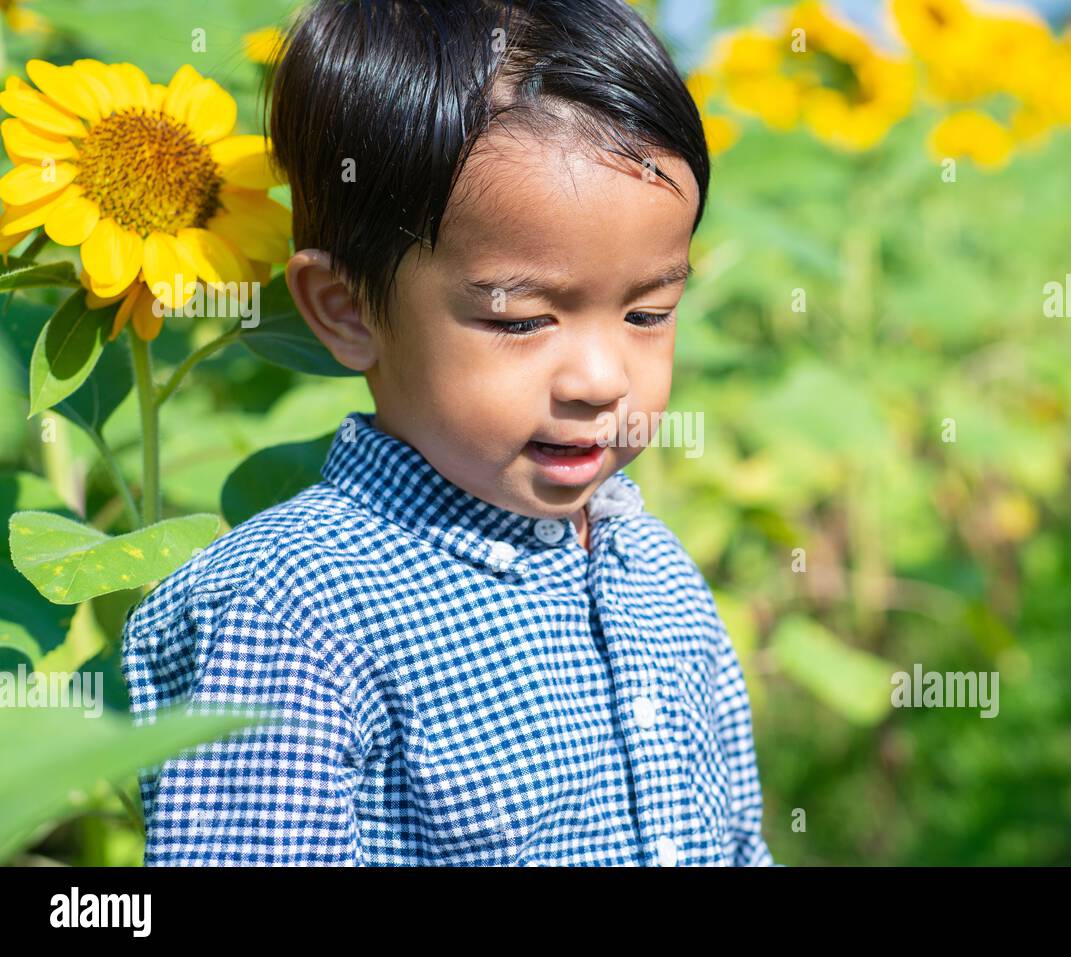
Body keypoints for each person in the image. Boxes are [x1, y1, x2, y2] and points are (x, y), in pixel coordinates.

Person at [119, 0, 774, 867]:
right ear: (345, 309)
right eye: (522, 321)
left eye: (648, 312)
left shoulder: (655, 576)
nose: (600, 379)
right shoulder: (295, 614)